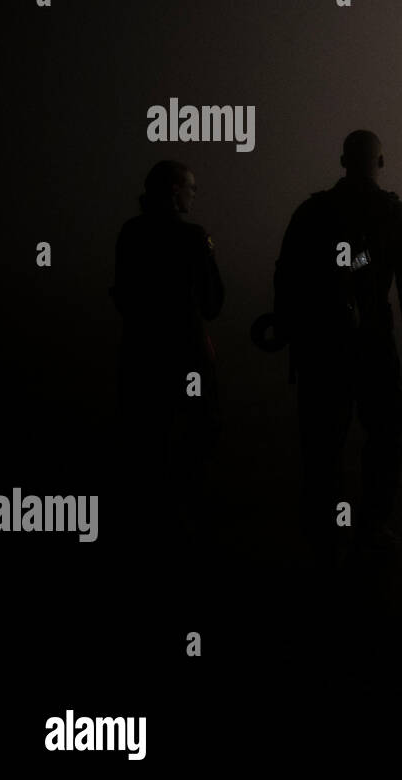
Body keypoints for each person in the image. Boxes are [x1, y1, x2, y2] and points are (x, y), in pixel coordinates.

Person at [273, 130, 402, 569]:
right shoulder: (395, 215)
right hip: (372, 340)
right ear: (381, 162)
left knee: (322, 437)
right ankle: (371, 527)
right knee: (386, 431)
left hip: (319, 341)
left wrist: (285, 325)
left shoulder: (313, 211)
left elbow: (286, 272)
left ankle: (322, 530)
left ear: (342, 160)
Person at [112, 160, 224, 549]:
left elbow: (123, 296)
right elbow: (213, 304)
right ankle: (184, 521)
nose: (194, 193)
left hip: (142, 352)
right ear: (175, 190)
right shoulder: (193, 238)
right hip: (186, 355)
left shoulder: (130, 233)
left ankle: (148, 520)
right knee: (195, 433)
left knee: (147, 435)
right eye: (190, 187)